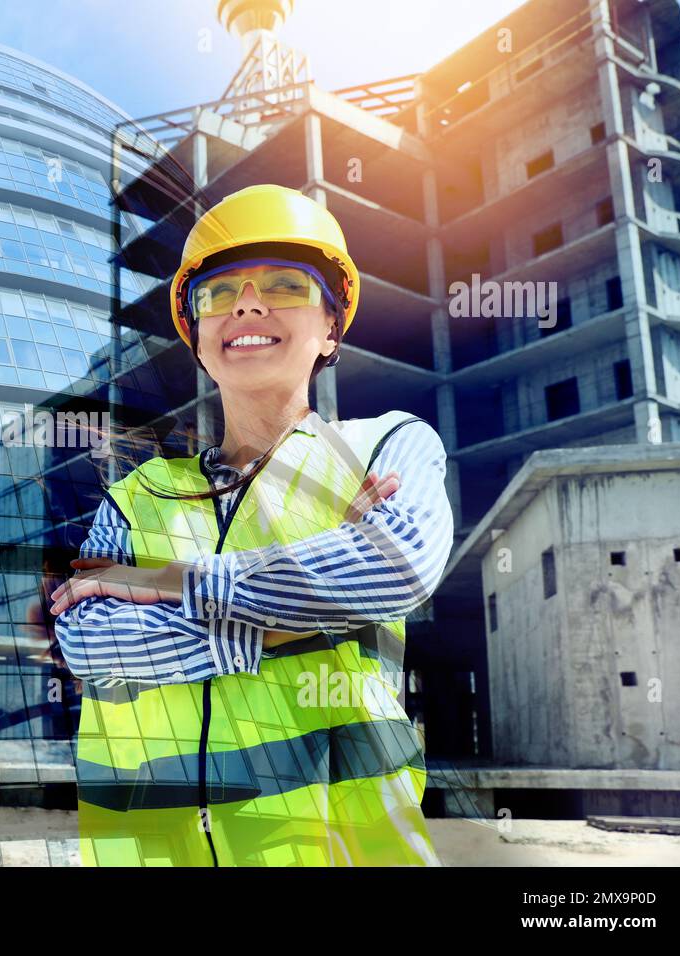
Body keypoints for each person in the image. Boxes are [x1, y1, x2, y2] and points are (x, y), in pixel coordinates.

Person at [50, 184, 455, 866]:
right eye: (217, 292)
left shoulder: (385, 444)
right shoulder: (137, 494)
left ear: (331, 328)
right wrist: (298, 615)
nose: (245, 304)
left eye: (286, 285)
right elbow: (91, 645)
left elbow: (398, 563)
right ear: (199, 340)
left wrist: (173, 581)